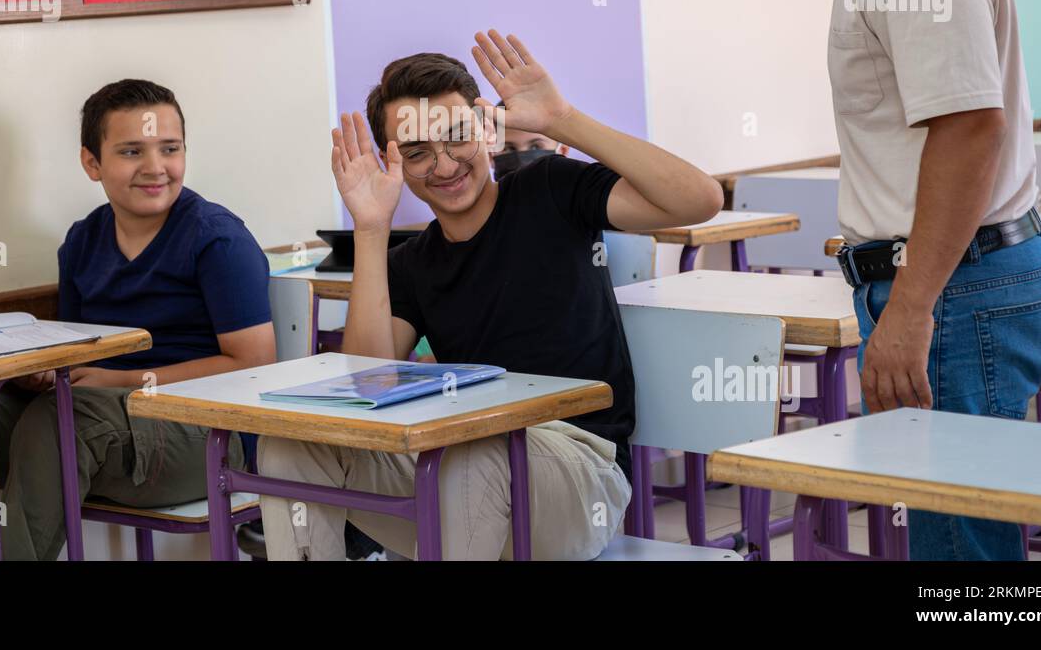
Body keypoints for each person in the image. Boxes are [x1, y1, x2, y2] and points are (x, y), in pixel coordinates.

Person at [672, 0, 1041, 559]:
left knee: (966, 568)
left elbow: (969, 126)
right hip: (958, 281)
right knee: (953, 548)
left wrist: (912, 309)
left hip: (958, 288)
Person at [256, 30, 723, 560]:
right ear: (396, 164)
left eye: (457, 136)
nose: (446, 164)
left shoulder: (549, 188)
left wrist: (561, 118)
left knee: (474, 448)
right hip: (455, 467)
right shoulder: (412, 262)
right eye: (417, 152)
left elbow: (699, 199)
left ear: (484, 128)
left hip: (575, 472)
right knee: (290, 446)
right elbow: (370, 387)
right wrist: (370, 229)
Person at [0, 79, 275, 560]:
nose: (155, 167)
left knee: (66, 418)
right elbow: (75, 353)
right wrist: (45, 373)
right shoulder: (83, 241)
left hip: (205, 438)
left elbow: (256, 364)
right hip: (104, 426)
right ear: (92, 163)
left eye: (169, 149)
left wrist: (120, 380)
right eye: (132, 151)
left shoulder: (216, 240)